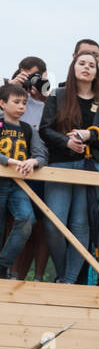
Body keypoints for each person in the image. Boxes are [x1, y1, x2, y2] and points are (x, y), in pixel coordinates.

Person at [38, 50, 99, 285]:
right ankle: (63, 274)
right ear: (73, 67)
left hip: (89, 167)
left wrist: (89, 135)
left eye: (92, 65)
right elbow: (44, 129)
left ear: (96, 71)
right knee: (54, 224)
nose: (86, 68)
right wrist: (67, 141)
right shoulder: (58, 95)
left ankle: (68, 280)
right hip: (60, 164)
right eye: (81, 63)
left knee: (81, 225)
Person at [0, 82, 46, 279]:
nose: (21, 107)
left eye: (24, 103)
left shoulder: (28, 129)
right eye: (16, 102)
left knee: (27, 219)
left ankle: (3, 264)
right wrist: (9, 161)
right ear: (2, 103)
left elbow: (42, 155)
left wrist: (33, 161)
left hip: (18, 184)